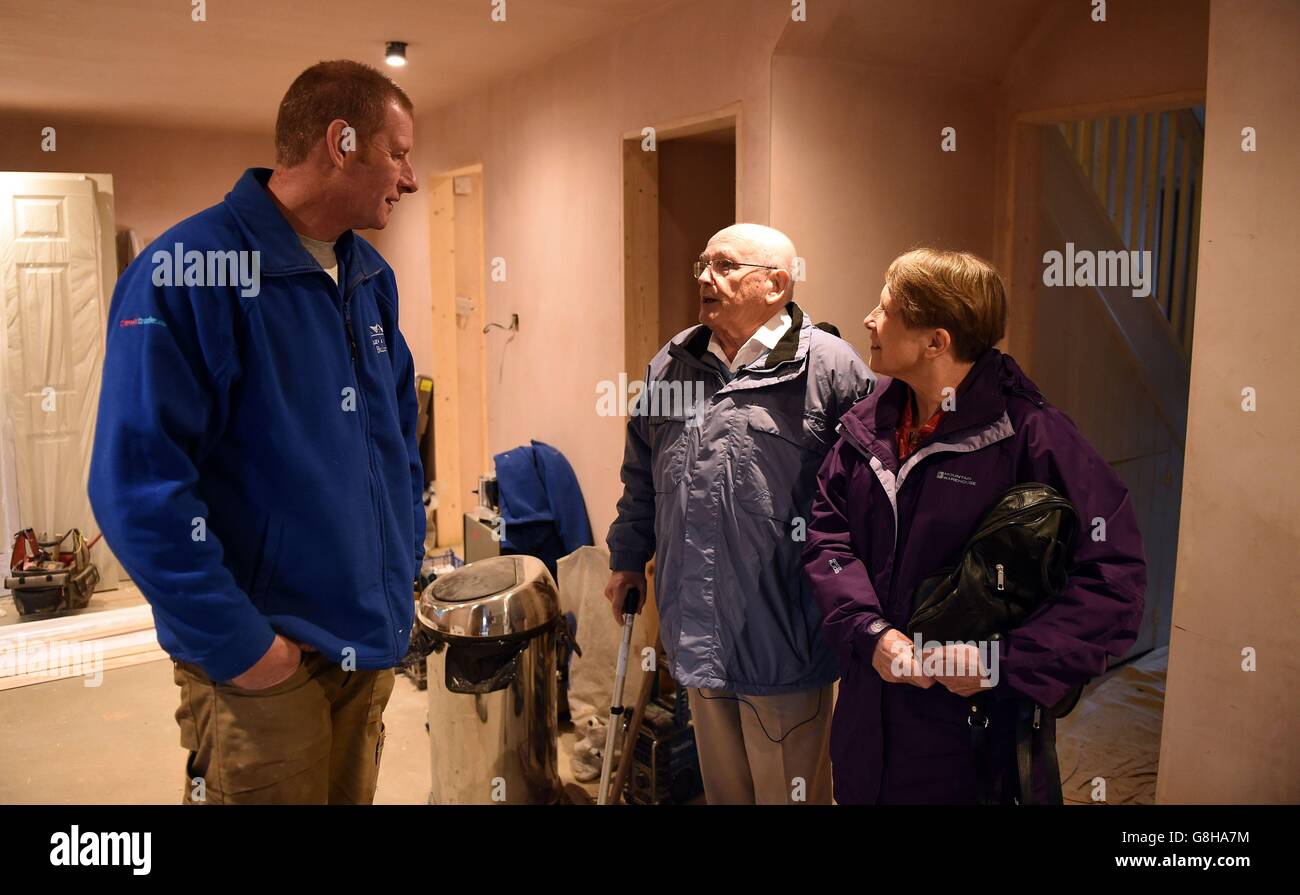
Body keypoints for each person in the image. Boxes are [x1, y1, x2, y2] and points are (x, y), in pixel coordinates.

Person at [88, 60, 423, 804]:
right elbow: (137, 489)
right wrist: (245, 648)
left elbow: (397, 445)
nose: (410, 177)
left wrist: (401, 579)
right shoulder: (188, 272)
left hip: (363, 651)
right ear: (343, 142)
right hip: (265, 672)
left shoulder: (369, 277)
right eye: (398, 152)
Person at [802, 248, 1146, 804]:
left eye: (884, 308)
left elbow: (1114, 579)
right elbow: (826, 537)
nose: (868, 320)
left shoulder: (1035, 435)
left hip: (972, 735)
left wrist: (1001, 662)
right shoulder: (866, 428)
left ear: (936, 341)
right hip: (870, 716)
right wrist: (869, 631)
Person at [606, 224, 874, 804]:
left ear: (775, 283)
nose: (704, 277)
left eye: (724, 265)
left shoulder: (832, 371)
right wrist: (628, 559)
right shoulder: (674, 363)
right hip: (697, 631)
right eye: (703, 263)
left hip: (785, 636)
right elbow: (641, 473)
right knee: (725, 793)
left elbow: (868, 510)